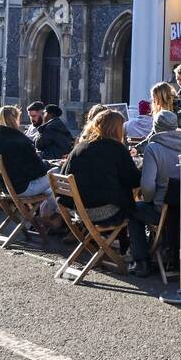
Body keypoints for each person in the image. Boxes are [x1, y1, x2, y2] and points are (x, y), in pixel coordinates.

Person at [63, 110, 156, 277]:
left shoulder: (79, 147)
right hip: (104, 211)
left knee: (124, 201)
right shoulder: (116, 149)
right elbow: (134, 180)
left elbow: (64, 174)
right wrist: (143, 168)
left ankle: (126, 249)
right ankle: (140, 259)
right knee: (136, 211)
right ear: (117, 129)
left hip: (79, 211)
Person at [137, 110, 181, 270]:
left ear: (156, 127)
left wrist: (149, 200)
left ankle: (141, 260)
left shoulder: (153, 148)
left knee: (134, 210)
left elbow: (146, 186)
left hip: (164, 210)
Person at [0, 105, 58, 224]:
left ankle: (53, 219)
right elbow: (37, 170)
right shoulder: (20, 142)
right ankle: (65, 219)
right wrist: (50, 164)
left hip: (3, 187)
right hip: (22, 188)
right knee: (59, 172)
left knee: (50, 191)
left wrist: (1, 111)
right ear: (15, 119)